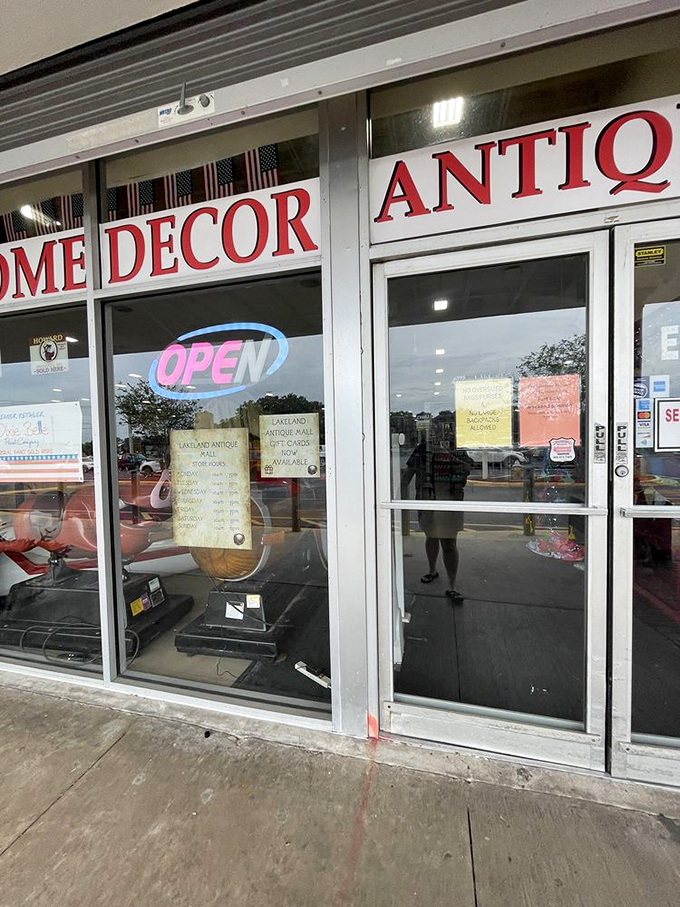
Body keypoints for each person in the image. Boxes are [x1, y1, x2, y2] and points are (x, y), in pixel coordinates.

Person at [401, 432, 473, 604]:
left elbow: (467, 469)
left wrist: (446, 455)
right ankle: (432, 570)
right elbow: (407, 476)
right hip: (427, 501)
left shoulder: (458, 449)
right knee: (431, 537)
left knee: (449, 542)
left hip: (451, 503)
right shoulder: (422, 449)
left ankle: (452, 585)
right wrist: (398, 501)